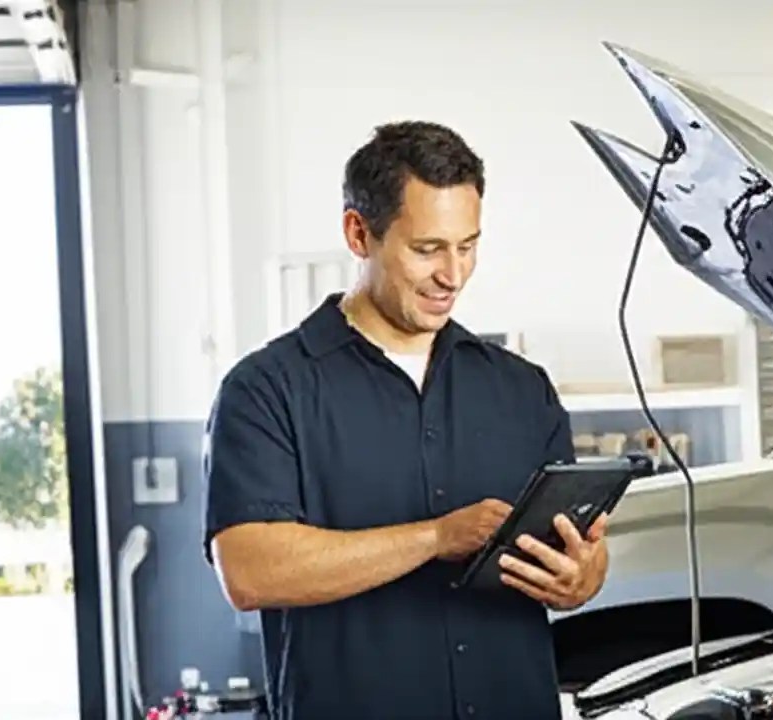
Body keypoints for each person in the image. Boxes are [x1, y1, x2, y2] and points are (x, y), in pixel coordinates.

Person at [202, 120, 610, 720]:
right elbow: (250, 571)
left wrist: (583, 577)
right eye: (427, 250)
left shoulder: (522, 390)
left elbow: (585, 553)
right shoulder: (267, 390)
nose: (453, 275)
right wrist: (435, 537)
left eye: (467, 246)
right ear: (358, 233)